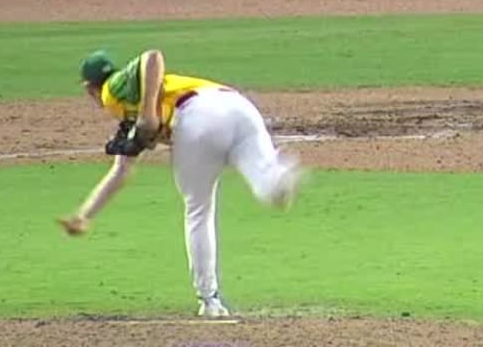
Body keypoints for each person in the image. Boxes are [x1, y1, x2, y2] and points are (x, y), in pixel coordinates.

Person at [60, 48, 303, 319]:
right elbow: (121, 169)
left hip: (196, 117)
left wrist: (148, 113)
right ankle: (279, 178)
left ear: (89, 88)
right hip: (238, 107)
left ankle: (210, 301)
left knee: (198, 209)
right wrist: (84, 215)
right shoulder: (131, 106)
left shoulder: (112, 90)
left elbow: (152, 57)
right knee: (267, 186)